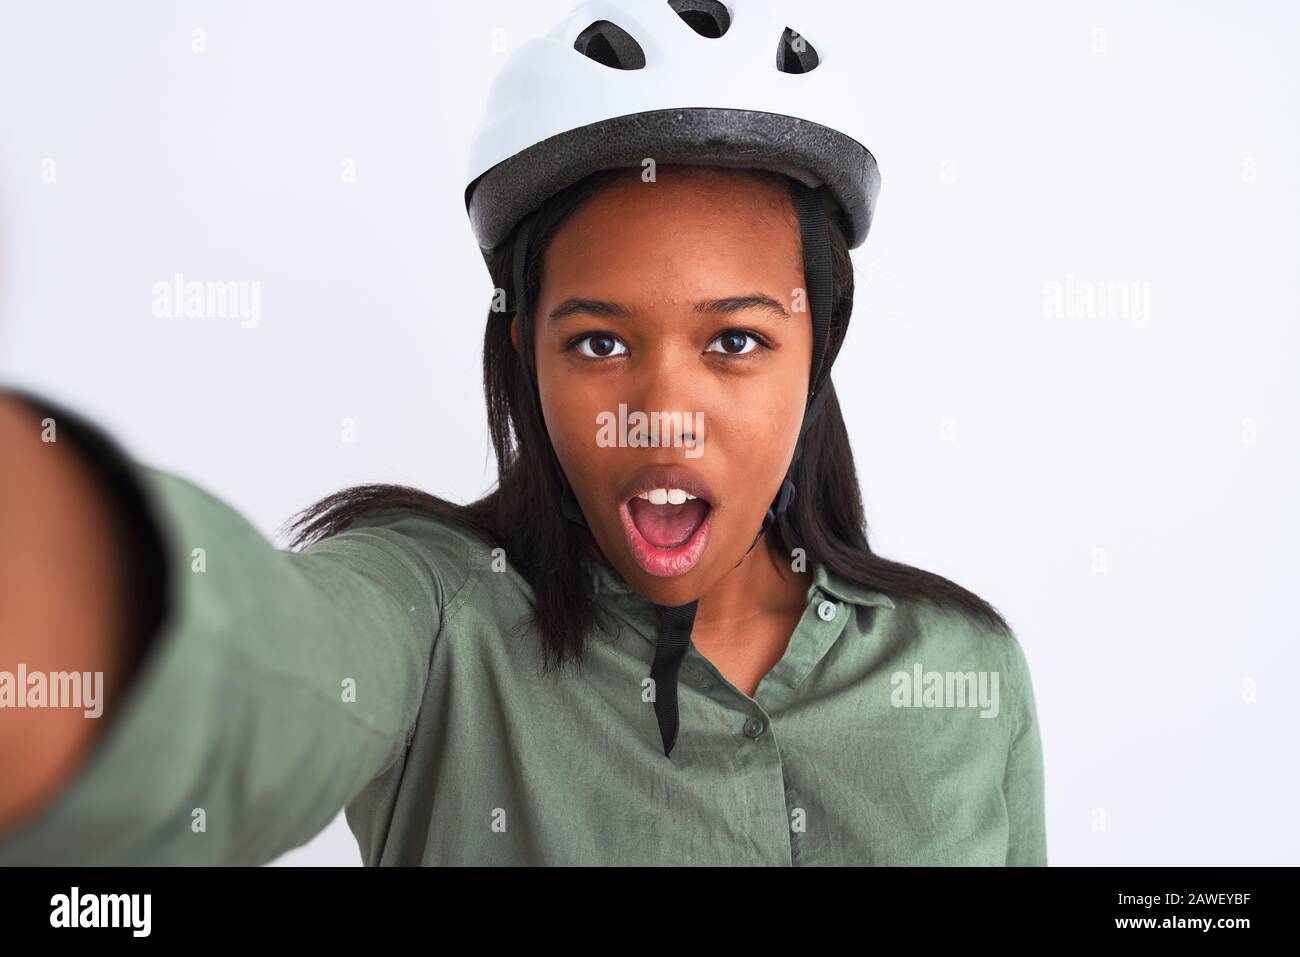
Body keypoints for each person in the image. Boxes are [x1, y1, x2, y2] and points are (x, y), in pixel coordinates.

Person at [0, 0, 1045, 865]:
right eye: (596, 344)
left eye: (733, 340)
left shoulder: (966, 670)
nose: (661, 413)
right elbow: (262, 669)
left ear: (819, 353)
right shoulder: (435, 621)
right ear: (523, 357)